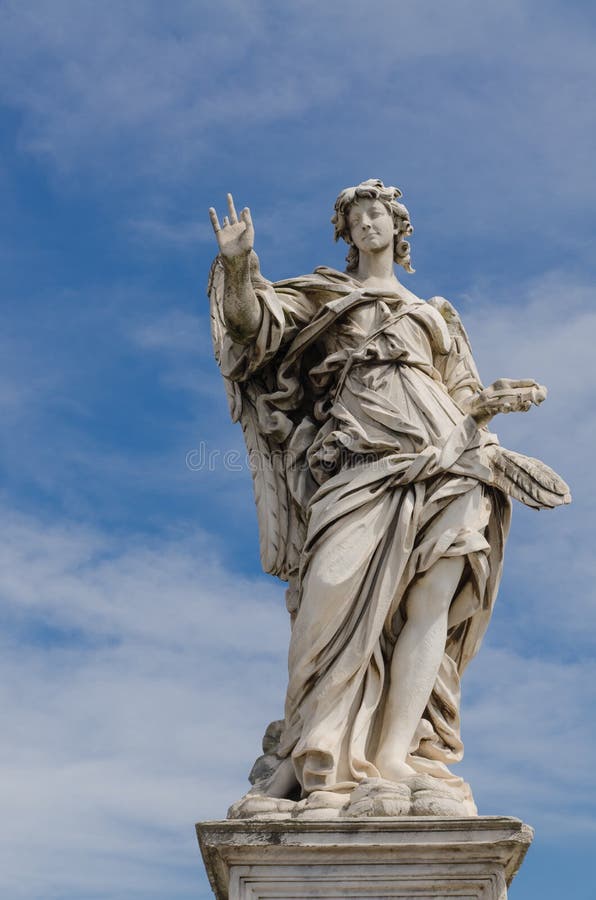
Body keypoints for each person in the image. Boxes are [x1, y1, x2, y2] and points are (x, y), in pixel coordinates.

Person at [207, 180, 569, 817]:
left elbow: (463, 399)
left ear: (398, 226)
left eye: (377, 213)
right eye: (355, 217)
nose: (368, 223)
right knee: (329, 601)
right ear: (344, 235)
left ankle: (398, 754)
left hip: (450, 462)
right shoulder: (326, 297)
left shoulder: (436, 313)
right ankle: (311, 754)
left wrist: (492, 401)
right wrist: (239, 265)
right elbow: (250, 328)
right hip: (359, 466)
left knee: (432, 602)